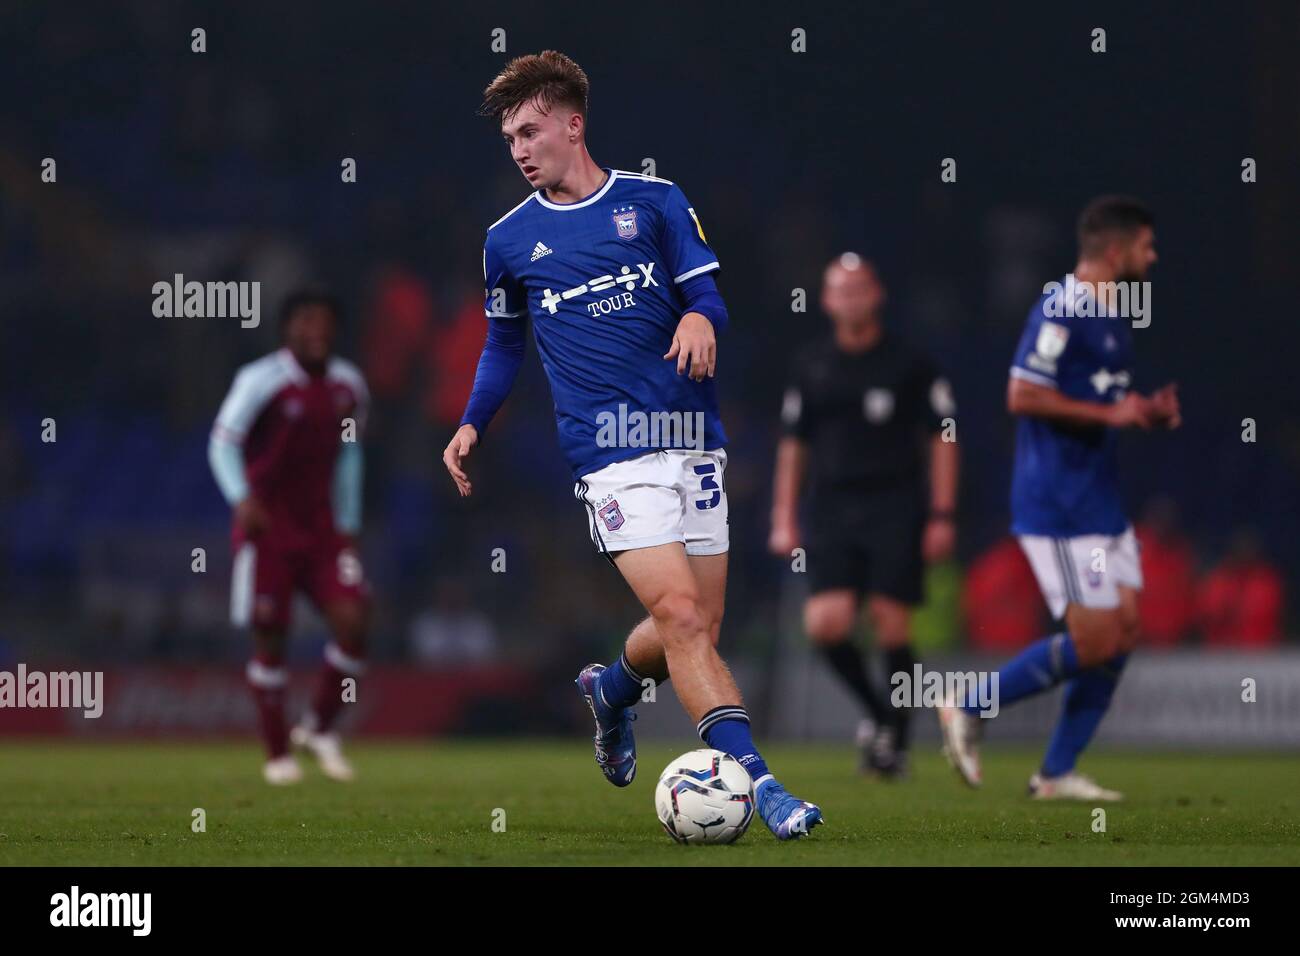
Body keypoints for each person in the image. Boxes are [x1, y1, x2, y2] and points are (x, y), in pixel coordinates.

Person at [442, 50, 821, 838]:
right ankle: (764, 786)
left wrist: (696, 318)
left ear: (573, 125)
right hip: (610, 455)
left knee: (696, 627)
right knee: (681, 616)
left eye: (530, 130)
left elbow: (708, 295)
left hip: (691, 440)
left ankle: (612, 689)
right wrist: (474, 420)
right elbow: (504, 346)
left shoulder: (654, 202)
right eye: (509, 136)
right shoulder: (508, 242)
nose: (518, 148)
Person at [939, 196, 1181, 800]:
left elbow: (1100, 404)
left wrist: (1139, 413)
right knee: (1096, 636)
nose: (1153, 257)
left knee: (1122, 629)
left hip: (1097, 498)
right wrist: (1112, 412)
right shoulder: (1062, 305)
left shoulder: (1110, 313)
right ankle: (971, 706)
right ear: (1117, 248)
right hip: (1061, 504)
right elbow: (1021, 394)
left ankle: (1054, 774)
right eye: (1146, 246)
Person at [770, 253, 959, 777]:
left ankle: (893, 742)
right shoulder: (811, 364)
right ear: (827, 301)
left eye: (860, 289)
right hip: (831, 505)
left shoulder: (911, 363)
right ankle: (881, 716)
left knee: (891, 623)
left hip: (897, 502)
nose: (851, 299)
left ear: (877, 295)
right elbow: (793, 445)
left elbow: (944, 437)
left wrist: (943, 513)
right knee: (826, 624)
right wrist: (783, 515)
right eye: (840, 290)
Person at [209, 291, 371, 784]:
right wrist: (241, 498)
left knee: (354, 620)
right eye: (306, 322)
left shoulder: (349, 386)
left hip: (324, 530)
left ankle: (320, 728)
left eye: (324, 322)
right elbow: (223, 442)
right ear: (287, 330)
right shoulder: (261, 381)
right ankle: (277, 754)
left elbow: (349, 455)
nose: (316, 331)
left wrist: (348, 524)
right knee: (271, 637)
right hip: (269, 529)